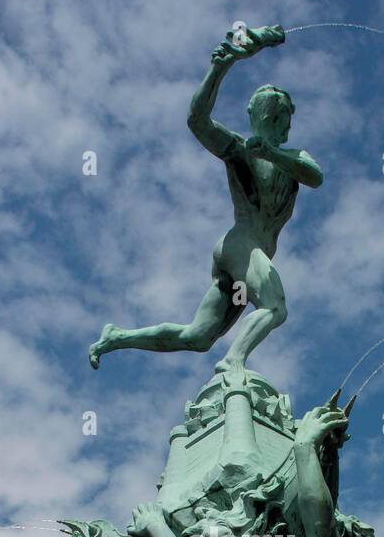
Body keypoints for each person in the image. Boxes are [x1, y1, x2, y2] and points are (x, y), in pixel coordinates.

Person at [88, 24, 322, 374]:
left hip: (241, 254)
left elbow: (314, 176)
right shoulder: (241, 151)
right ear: (276, 117)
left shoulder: (290, 157)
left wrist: (273, 154)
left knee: (197, 337)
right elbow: (197, 121)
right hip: (241, 243)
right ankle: (233, 361)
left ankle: (117, 337)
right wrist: (221, 66)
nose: (286, 125)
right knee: (275, 308)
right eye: (283, 116)